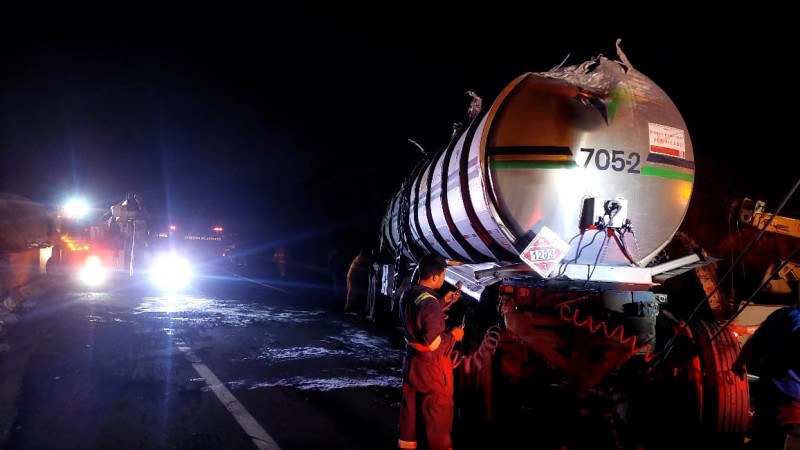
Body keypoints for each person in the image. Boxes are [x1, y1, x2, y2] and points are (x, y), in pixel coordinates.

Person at [398, 253, 463, 450]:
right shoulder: (430, 304)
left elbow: (419, 315)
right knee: (438, 415)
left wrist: (443, 302)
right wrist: (454, 336)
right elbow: (434, 343)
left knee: (410, 413)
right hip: (431, 367)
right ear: (435, 277)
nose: (443, 279)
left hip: (412, 363)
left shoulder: (409, 293)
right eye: (443, 275)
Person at [732, 300, 800, 449]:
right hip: (792, 407)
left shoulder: (782, 315)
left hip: (768, 397)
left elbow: (754, 343)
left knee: (763, 438)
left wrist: (738, 363)